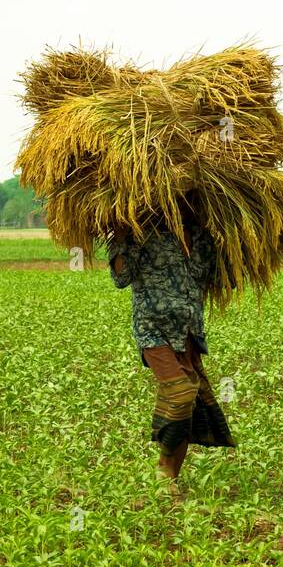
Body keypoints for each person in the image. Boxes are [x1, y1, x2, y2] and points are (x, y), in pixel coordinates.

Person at [108, 200, 234, 495]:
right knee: (181, 392)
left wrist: (241, 249)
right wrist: (122, 236)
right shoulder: (143, 232)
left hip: (189, 333)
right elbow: (121, 278)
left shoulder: (202, 237)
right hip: (153, 330)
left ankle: (170, 483)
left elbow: (221, 278)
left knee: (189, 403)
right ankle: (163, 468)